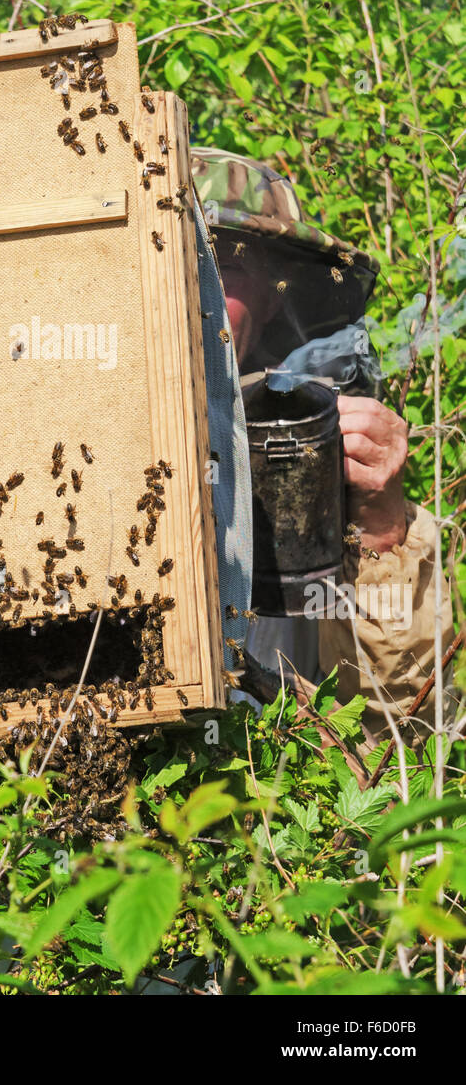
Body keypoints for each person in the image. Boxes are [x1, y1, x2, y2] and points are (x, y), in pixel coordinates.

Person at [192, 148, 457, 746]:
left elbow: (400, 724)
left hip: (264, 822)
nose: (193, 287)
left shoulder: (310, 441)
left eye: (223, 264)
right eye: (178, 255)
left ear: (270, 293)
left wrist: (383, 527)